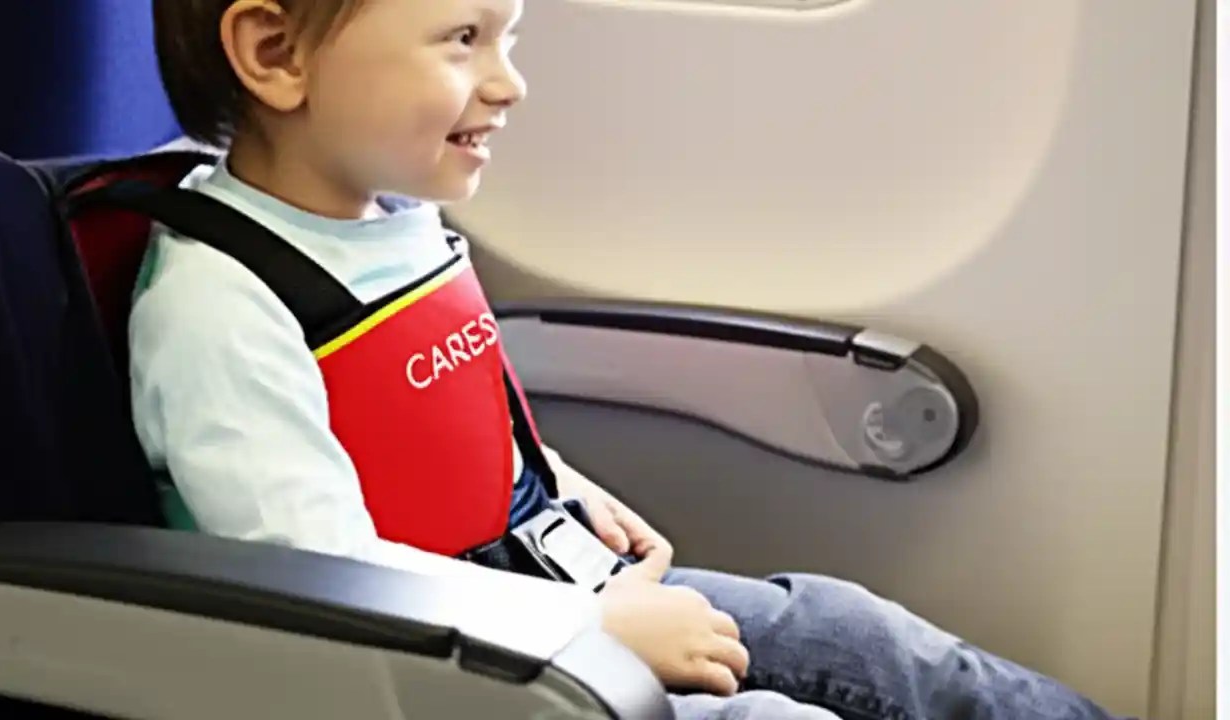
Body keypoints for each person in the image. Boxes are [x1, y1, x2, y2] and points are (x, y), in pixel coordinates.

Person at [129, 1, 1131, 718]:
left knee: (856, 635)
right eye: (463, 38)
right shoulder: (219, 305)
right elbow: (316, 580)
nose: (509, 82)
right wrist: (583, 632)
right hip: (442, 668)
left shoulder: (386, 217)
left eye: (509, 37)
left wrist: (555, 483)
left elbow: (420, 411)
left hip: (530, 591)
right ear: (275, 54)